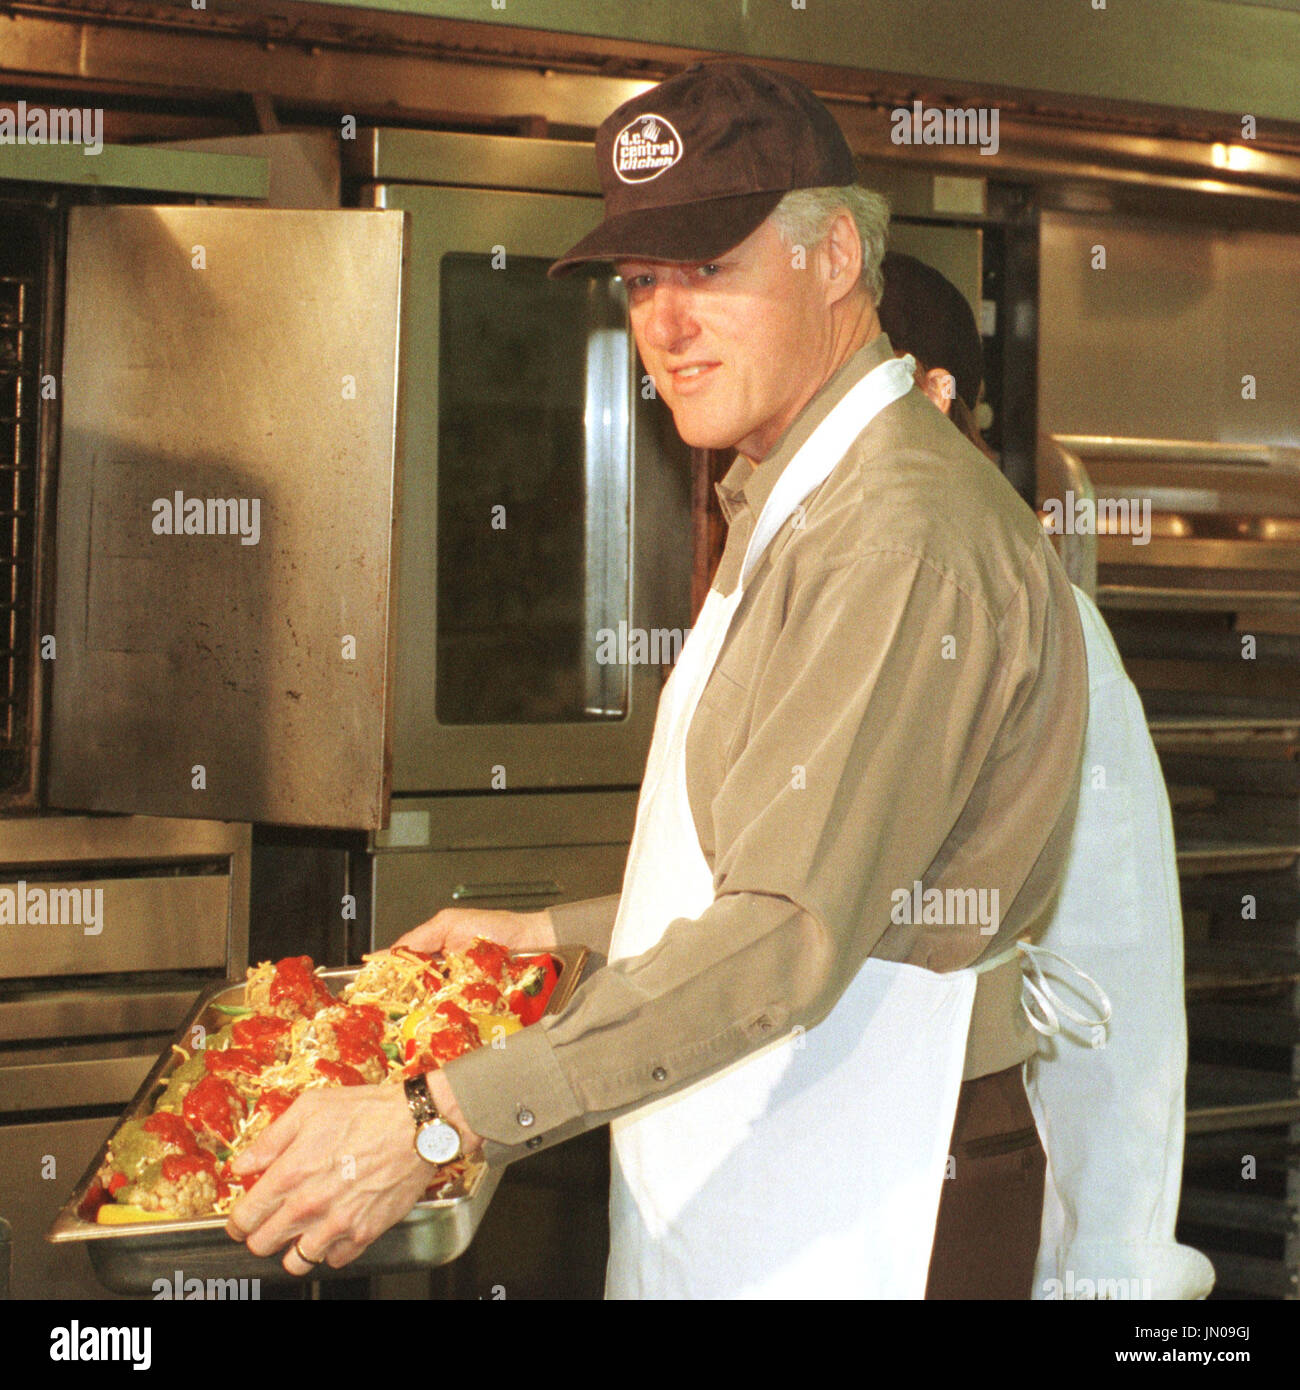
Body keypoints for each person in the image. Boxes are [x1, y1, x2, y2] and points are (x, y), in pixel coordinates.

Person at [226, 61, 1089, 1299]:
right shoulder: (798, 496)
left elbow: (788, 935)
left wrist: (439, 1118)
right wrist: (561, 939)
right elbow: (802, 879)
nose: (664, 326)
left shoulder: (894, 539)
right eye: (641, 283)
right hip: (787, 1151)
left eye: (709, 270)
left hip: (880, 1186)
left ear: (836, 254)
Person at [877, 249, 1216, 1299]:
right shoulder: (808, 584)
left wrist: (1111, 1266)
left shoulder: (1035, 619)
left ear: (929, 392)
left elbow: (1114, 963)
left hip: (960, 1188)